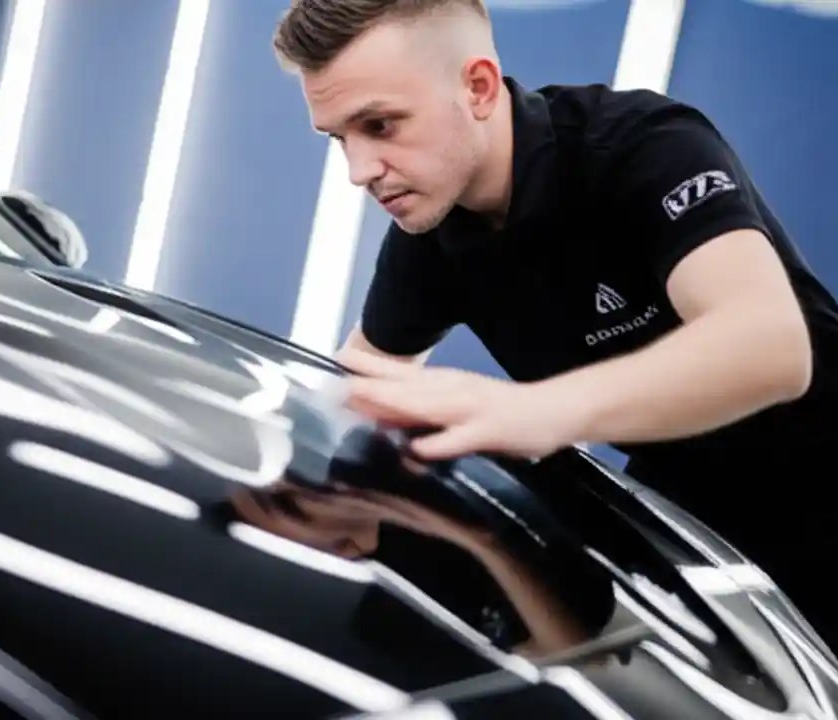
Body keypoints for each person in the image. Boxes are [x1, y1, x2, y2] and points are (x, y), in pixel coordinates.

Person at [272, 0, 838, 647]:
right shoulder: (431, 232)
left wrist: (535, 412)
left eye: (381, 124)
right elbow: (366, 378)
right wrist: (327, 499)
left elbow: (770, 347)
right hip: (689, 520)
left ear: (478, 87)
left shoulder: (644, 143)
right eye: (341, 137)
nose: (359, 170)